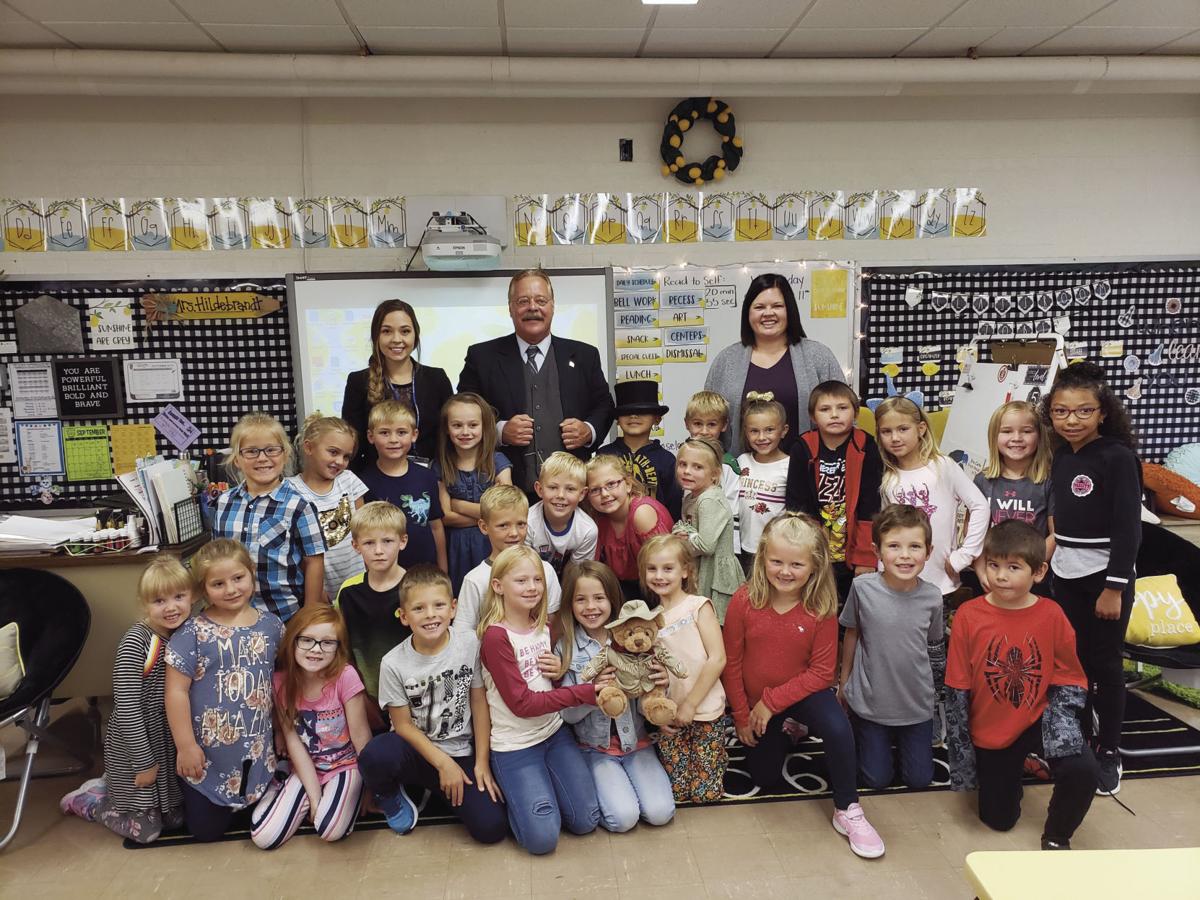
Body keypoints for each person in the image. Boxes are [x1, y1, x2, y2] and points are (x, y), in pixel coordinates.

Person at [721, 513, 884, 858]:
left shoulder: (821, 606)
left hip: (801, 693)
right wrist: (741, 715)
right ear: (763, 556)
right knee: (764, 775)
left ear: (815, 566)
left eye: (796, 564)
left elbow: (823, 673)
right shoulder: (744, 600)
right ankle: (786, 731)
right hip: (757, 699)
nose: (784, 571)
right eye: (776, 561)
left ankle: (847, 808)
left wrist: (771, 703)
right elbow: (731, 663)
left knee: (838, 728)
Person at [946, 520, 1099, 850]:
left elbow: (1070, 675)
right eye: (994, 565)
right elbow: (957, 684)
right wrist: (964, 749)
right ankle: (1015, 768)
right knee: (998, 821)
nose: (1001, 576)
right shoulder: (968, 616)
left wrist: (1063, 722)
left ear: (1039, 572)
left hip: (1039, 717)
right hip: (991, 729)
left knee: (1083, 769)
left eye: (1014, 567)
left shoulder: (1052, 614)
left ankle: (1057, 837)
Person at [1043, 362, 1141, 795]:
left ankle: (1109, 749)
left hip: (1105, 575)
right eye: (1062, 411)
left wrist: (1114, 587)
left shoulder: (1118, 457)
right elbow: (1059, 517)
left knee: (1105, 664)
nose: (1072, 420)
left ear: (1103, 412)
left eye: (1084, 411)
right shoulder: (1062, 454)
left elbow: (1128, 528)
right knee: (1073, 662)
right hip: (1065, 572)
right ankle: (1079, 736)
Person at [356, 566, 508, 843]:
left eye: (438, 605)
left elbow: (479, 701)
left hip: (461, 750)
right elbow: (402, 725)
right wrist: (443, 764)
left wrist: (482, 761)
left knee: (492, 828)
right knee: (374, 756)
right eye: (418, 608)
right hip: (415, 750)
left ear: (453, 608)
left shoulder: (469, 643)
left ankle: (439, 790)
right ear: (403, 616)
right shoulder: (393, 662)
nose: (430, 615)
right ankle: (391, 795)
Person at [477, 545, 602, 855]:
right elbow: (523, 703)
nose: (532, 587)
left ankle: (543, 791)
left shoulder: (543, 626)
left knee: (586, 820)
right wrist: (587, 692)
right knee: (543, 840)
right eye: (521, 581)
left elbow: (547, 684)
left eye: (537, 579)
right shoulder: (495, 637)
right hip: (514, 746)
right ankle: (525, 801)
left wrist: (559, 672)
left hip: (553, 734)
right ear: (498, 586)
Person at [59, 555, 191, 843]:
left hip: (167, 743)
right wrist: (144, 763)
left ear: (192, 596)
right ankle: (93, 802)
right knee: (147, 832)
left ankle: (113, 790)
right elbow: (127, 707)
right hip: (135, 746)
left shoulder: (186, 634)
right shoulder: (137, 640)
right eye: (159, 601)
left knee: (175, 820)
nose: (171, 607)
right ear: (145, 604)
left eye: (179, 596)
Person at [164, 540, 285, 842]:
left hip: (257, 754)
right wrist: (185, 746)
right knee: (206, 833)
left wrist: (282, 731)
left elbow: (279, 683)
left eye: (238, 578)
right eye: (218, 583)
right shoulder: (191, 633)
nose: (230, 589)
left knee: (256, 823)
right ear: (203, 589)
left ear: (251, 573)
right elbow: (176, 692)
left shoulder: (271, 626)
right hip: (207, 758)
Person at [458, 267, 614, 494]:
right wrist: (500, 431)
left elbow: (604, 405)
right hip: (505, 491)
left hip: (570, 491)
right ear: (510, 308)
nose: (533, 307)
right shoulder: (482, 357)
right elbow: (462, 410)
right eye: (523, 301)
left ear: (552, 306)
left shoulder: (584, 355)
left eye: (541, 300)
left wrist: (588, 430)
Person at [556, 561, 675, 832]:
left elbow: (649, 706)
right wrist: (591, 691)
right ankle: (597, 789)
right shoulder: (567, 647)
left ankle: (622, 784)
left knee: (660, 813)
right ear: (570, 604)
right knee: (623, 819)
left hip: (636, 743)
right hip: (593, 748)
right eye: (581, 600)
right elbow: (567, 715)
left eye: (599, 598)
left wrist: (660, 686)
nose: (591, 607)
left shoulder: (635, 638)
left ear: (613, 599)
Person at [839, 505, 943, 791]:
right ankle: (869, 739)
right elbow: (852, 632)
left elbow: (934, 646)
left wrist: (937, 694)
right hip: (871, 702)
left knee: (919, 780)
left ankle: (902, 742)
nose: (905, 555)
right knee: (876, 779)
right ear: (877, 551)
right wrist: (844, 681)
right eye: (894, 546)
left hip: (916, 703)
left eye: (915, 546)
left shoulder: (933, 597)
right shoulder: (862, 588)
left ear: (928, 551)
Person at [251, 605, 371, 849]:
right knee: (264, 836)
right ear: (293, 641)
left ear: (338, 648)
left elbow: (362, 739)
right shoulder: (280, 683)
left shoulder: (345, 676)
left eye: (327, 643)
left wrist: (370, 788)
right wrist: (314, 797)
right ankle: (280, 783)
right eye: (307, 640)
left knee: (329, 829)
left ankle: (337, 796)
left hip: (346, 766)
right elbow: (293, 741)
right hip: (307, 766)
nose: (316, 650)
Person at [704, 273, 844, 455]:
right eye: (759, 307)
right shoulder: (726, 361)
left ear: (790, 310)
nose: (768, 313)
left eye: (777, 306)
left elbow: (845, 413)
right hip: (741, 478)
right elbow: (705, 418)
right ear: (748, 312)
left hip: (807, 475)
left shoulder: (818, 356)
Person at [638, 534, 727, 804]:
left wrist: (690, 704)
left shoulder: (698, 606)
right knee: (676, 792)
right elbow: (649, 674)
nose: (659, 575)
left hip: (704, 709)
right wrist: (658, 714)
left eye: (668, 568)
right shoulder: (648, 621)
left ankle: (717, 757)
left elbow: (717, 659)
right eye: (652, 569)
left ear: (685, 570)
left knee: (705, 795)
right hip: (671, 716)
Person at [213, 412, 325, 621]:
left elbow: (314, 562)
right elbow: (216, 559)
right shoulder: (223, 503)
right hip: (233, 617)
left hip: (284, 616)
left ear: (285, 454)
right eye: (252, 451)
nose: (262, 458)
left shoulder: (299, 506)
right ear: (237, 459)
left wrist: (309, 615)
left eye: (271, 450)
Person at [875, 397, 988, 598]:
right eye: (886, 431)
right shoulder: (888, 477)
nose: (895, 437)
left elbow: (980, 506)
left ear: (921, 428)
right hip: (895, 583)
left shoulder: (942, 466)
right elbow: (885, 529)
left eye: (903, 429)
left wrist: (964, 556)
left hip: (940, 583)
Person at [786, 381, 882, 604]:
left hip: (853, 546)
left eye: (842, 408)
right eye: (825, 409)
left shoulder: (866, 445)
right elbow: (796, 504)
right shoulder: (802, 447)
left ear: (856, 412)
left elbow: (870, 505)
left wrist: (865, 556)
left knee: (853, 612)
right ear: (813, 416)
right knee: (816, 605)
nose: (835, 415)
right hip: (815, 547)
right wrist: (804, 552)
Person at [342, 298, 453, 468]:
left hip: (431, 478)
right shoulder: (358, 382)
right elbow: (354, 444)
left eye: (405, 331)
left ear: (415, 335)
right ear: (376, 336)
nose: (396, 339)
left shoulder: (436, 378)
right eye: (387, 331)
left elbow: (448, 435)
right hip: (377, 478)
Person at [972, 400, 1056, 595]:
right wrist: (981, 570)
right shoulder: (983, 481)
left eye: (1026, 431)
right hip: (993, 577)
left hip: (1034, 579)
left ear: (1039, 436)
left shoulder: (1049, 481)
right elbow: (974, 534)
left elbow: (1056, 534)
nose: (1017, 438)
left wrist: (1030, 569)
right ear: (994, 436)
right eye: (1007, 431)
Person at [335, 502, 411, 712]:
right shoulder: (348, 592)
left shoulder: (416, 588)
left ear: (402, 541)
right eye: (369, 543)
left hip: (413, 694)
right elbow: (343, 646)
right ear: (355, 546)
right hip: (366, 695)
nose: (378, 551)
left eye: (387, 541)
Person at [435, 392, 513, 594]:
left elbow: (506, 513)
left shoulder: (498, 462)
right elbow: (444, 517)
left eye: (473, 425)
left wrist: (458, 505)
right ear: (446, 428)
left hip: (493, 546)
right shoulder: (441, 466)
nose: (465, 431)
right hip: (456, 549)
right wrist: (489, 516)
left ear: (485, 427)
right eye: (457, 425)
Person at [456, 484, 562, 635]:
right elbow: (463, 633)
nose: (514, 533)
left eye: (521, 524)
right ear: (484, 527)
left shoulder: (545, 570)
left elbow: (553, 621)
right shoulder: (474, 580)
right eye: (503, 525)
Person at [357, 400, 447, 572]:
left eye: (401, 432)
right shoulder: (363, 483)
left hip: (425, 572)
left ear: (414, 435)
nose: (393, 440)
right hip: (384, 573)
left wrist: (443, 570)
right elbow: (363, 535)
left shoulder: (427, 476)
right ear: (370, 436)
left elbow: (436, 526)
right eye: (384, 433)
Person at [288, 413, 368, 602]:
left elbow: (365, 531)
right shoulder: (290, 489)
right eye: (333, 452)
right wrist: (316, 590)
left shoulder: (348, 481)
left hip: (357, 583)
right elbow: (292, 547)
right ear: (308, 447)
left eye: (346, 456)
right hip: (316, 588)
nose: (340, 461)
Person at [673, 436, 743, 623]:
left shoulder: (709, 500)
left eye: (697, 467)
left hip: (715, 575)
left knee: (714, 623)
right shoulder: (691, 497)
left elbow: (706, 545)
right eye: (682, 464)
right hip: (700, 569)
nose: (687, 471)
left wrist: (684, 537)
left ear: (715, 474)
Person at [587, 454, 673, 602]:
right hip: (626, 590)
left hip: (659, 586)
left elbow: (667, 568)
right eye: (595, 490)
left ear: (628, 484)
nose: (605, 494)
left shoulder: (642, 514)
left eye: (611, 484)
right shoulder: (597, 521)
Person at [596, 380, 683, 519]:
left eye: (642, 411)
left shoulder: (667, 460)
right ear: (617, 419)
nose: (633, 416)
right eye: (626, 412)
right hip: (612, 532)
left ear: (657, 419)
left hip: (655, 534)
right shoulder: (604, 455)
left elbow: (674, 506)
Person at [735, 391, 790, 574]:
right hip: (743, 548)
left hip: (775, 550)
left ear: (783, 431)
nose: (761, 437)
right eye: (754, 431)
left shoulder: (789, 465)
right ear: (746, 432)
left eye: (769, 430)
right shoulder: (742, 461)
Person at [684, 390, 743, 551]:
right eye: (697, 424)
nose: (704, 431)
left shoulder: (727, 465)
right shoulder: (683, 461)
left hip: (723, 546)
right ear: (687, 423)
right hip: (692, 541)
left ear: (723, 425)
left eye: (711, 424)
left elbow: (732, 511)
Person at [526, 451, 598, 579]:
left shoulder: (587, 530)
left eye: (570, 489)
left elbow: (577, 575)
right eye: (553, 487)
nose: (560, 495)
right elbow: (522, 569)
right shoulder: (527, 522)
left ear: (582, 494)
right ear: (539, 489)